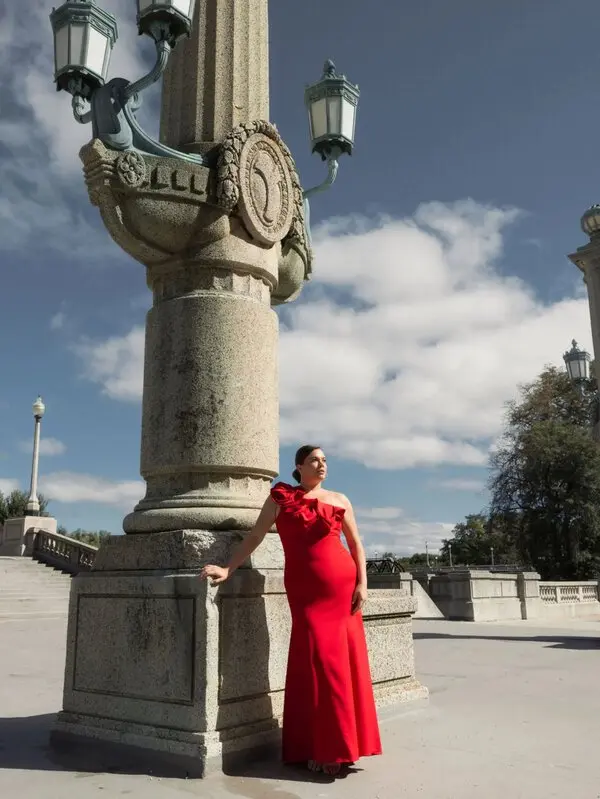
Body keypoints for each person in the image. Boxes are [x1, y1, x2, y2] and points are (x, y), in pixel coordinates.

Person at [201, 445, 382, 777]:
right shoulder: (280, 498)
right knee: (315, 662)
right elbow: (255, 536)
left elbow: (355, 544)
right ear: (299, 466)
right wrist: (228, 568)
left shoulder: (340, 499)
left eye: (325, 460)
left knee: (339, 663)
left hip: (342, 588)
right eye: (315, 459)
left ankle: (336, 749)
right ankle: (315, 744)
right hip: (306, 591)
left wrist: (363, 584)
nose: (322, 464)